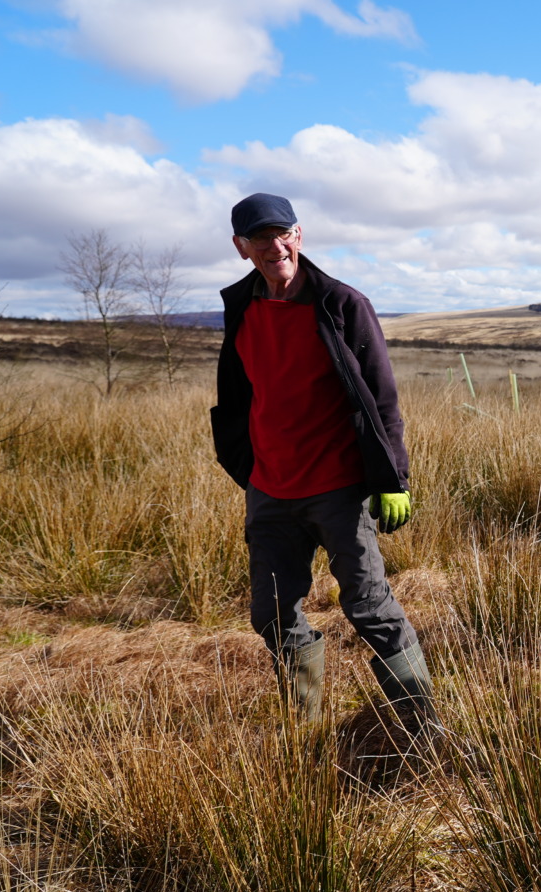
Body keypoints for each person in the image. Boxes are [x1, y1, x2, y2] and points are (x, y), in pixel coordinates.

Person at [210, 192, 435, 726]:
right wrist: (246, 467)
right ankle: (306, 728)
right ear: (242, 248)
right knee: (270, 615)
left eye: (283, 233)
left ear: (299, 235)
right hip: (270, 489)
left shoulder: (341, 304)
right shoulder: (241, 307)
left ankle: (423, 724)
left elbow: (380, 397)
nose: (275, 246)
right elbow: (241, 395)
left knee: (369, 608)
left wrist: (393, 478)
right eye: (260, 238)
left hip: (338, 487)